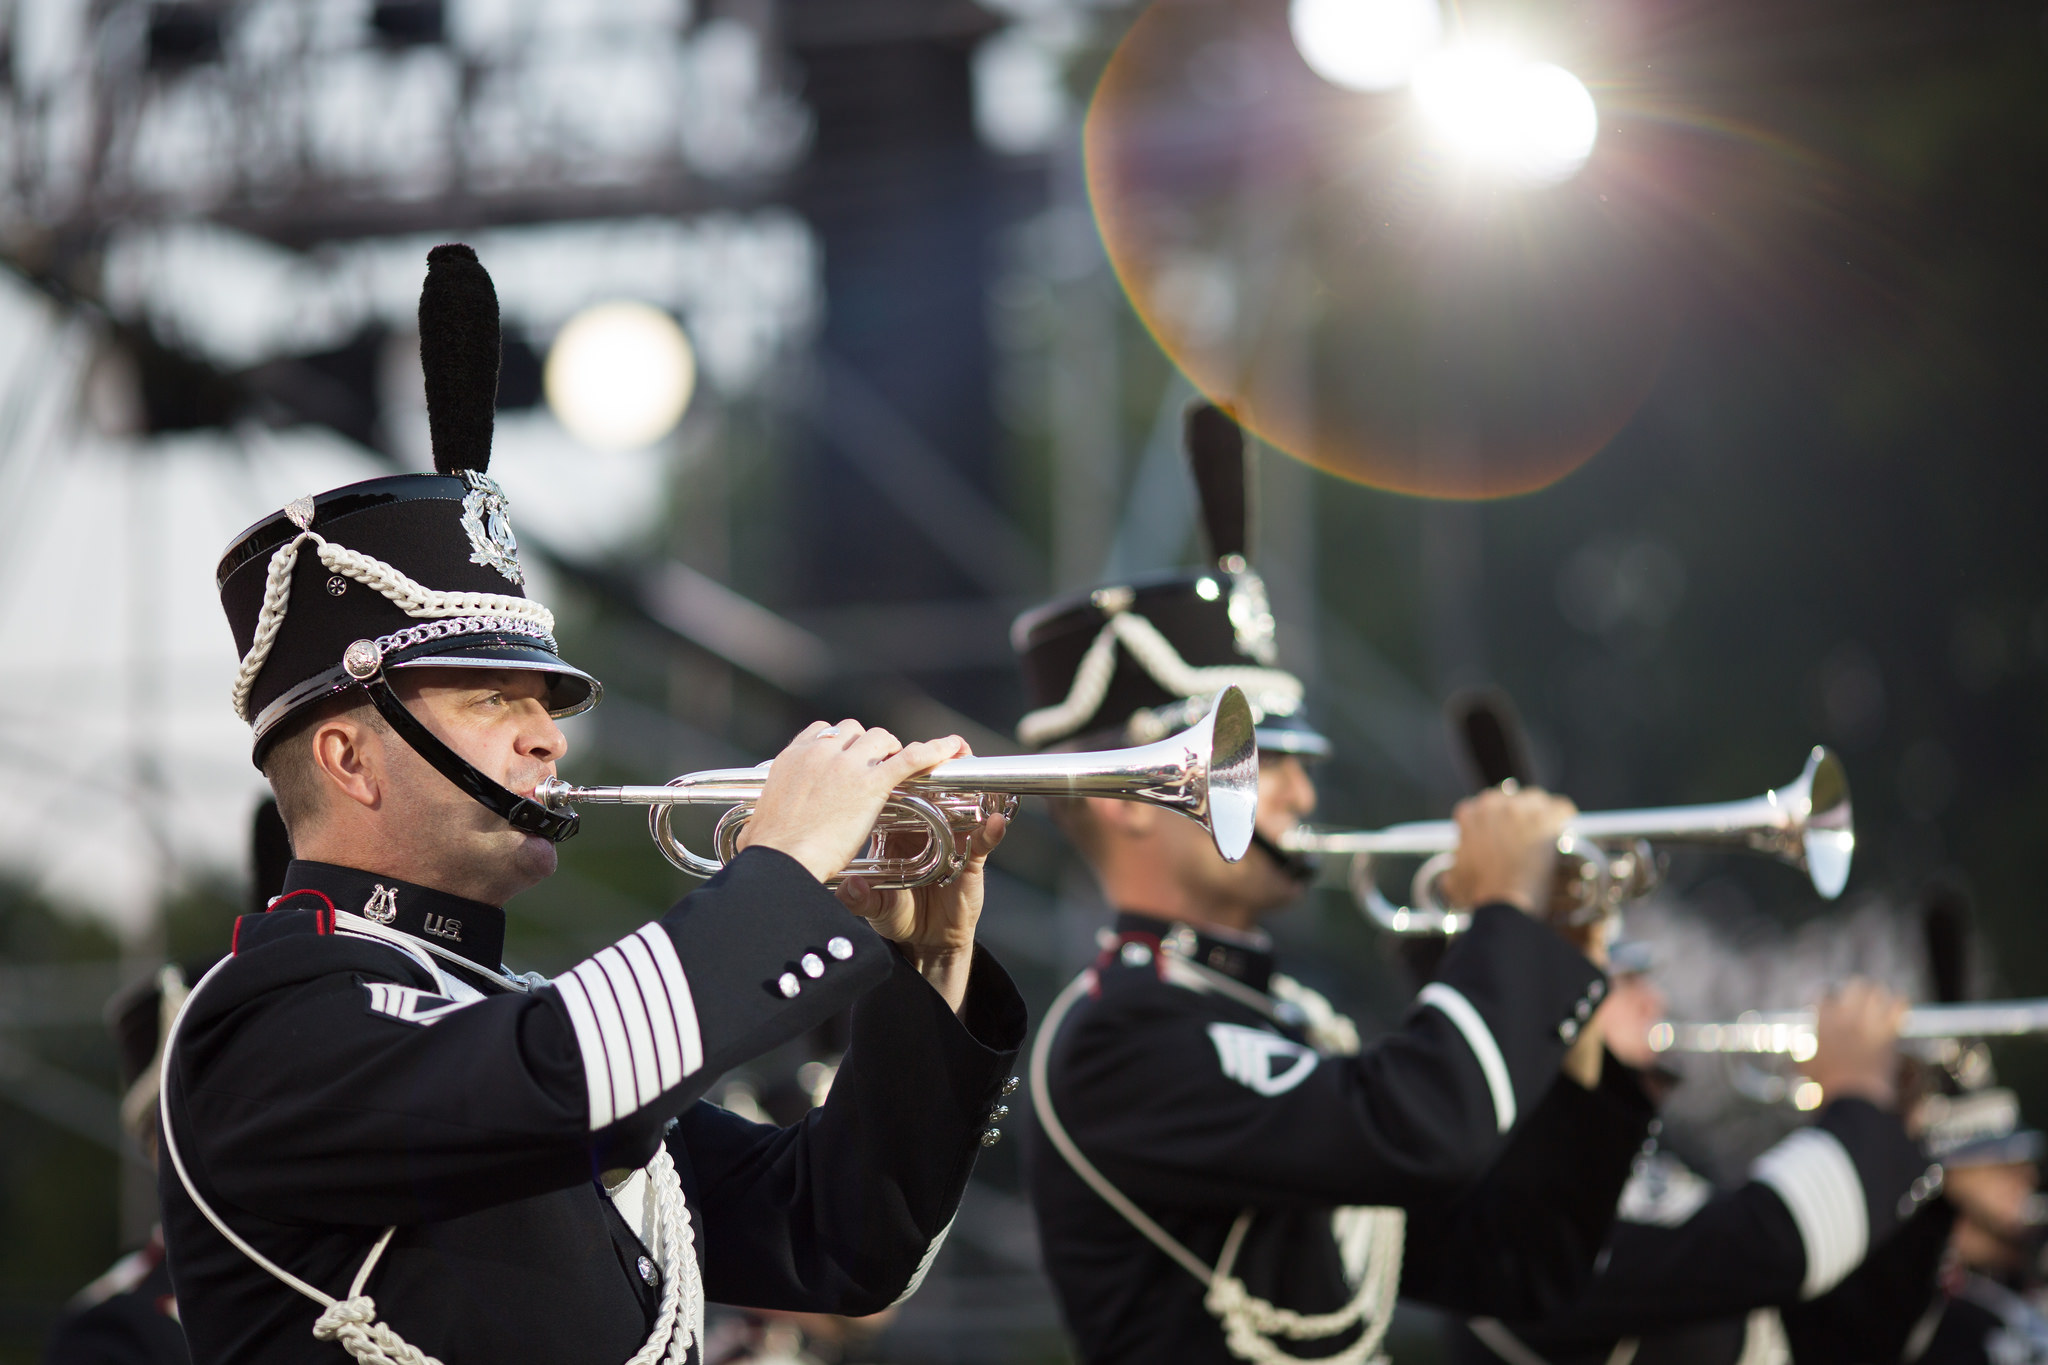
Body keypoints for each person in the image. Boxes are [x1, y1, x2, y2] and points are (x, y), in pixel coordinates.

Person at [161, 244, 1026, 1365]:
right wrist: (782, 874)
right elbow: (565, 1079)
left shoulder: (508, 1018)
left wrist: (929, 961)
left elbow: (844, 1245)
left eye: (545, 700)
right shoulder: (268, 1019)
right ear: (348, 757)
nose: (544, 735)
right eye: (490, 698)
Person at [1018, 404, 1655, 1365]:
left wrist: (1564, 968)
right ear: (1129, 796)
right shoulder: (1113, 1037)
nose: (1303, 791)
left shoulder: (1293, 1021)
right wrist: (1504, 922)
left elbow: (1523, 1263)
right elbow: (1420, 1131)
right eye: (1256, 760)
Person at [1452, 950, 1939, 1365]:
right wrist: (1857, 1094)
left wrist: (1901, 1137)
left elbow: (1844, 1339)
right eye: (1623, 980)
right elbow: (1768, 1246)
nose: (1655, 1001)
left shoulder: (1638, 1175)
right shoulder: (1512, 1215)